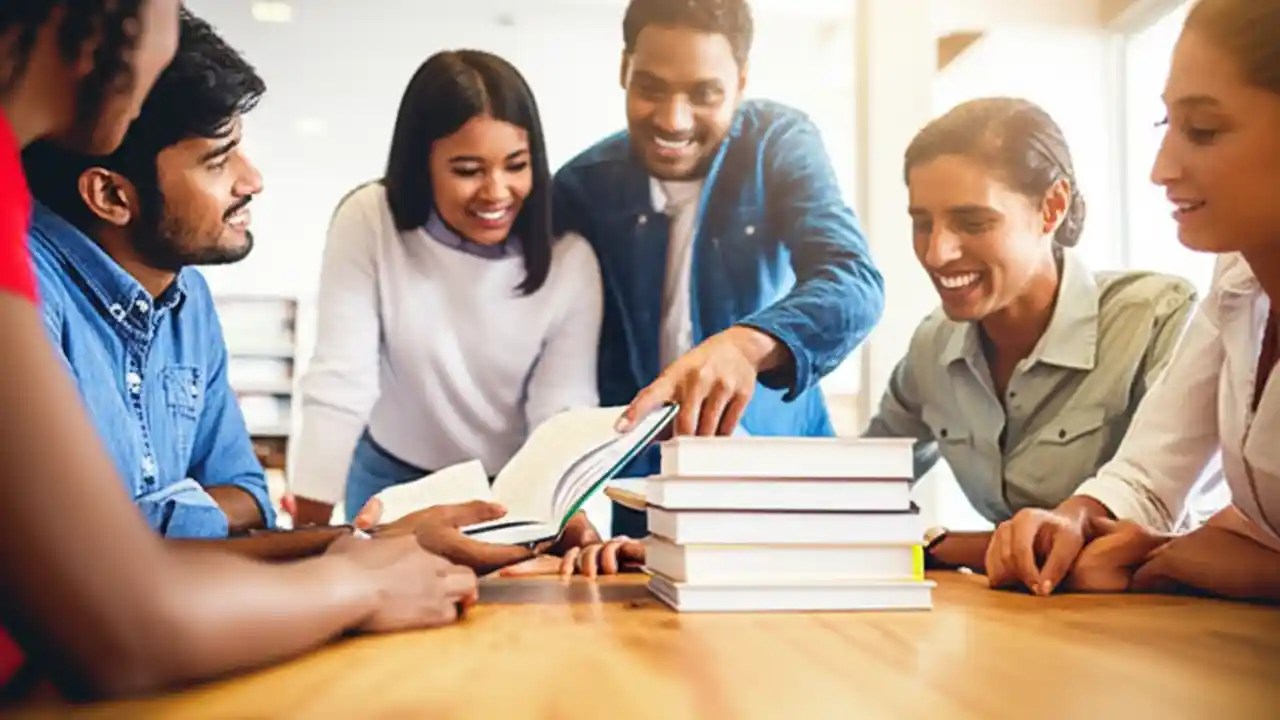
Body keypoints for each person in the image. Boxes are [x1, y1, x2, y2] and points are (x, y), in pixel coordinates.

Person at [0, 5, 509, 700]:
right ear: (111, 195)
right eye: (218, 159)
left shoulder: (186, 297)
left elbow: (242, 504)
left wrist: (368, 545)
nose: (252, 180)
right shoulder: (31, 267)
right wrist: (352, 579)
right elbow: (115, 610)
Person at [554, 0, 885, 542]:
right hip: (645, 499)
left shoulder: (779, 144)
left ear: (742, 81)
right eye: (651, 87)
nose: (673, 120)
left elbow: (854, 281)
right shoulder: (580, 188)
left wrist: (745, 346)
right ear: (623, 69)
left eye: (704, 94)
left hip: (786, 484)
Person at [287, 49, 622, 576]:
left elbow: (561, 415)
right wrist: (304, 541)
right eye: (468, 170)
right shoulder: (370, 220)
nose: (497, 192)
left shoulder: (569, 258)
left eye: (516, 165)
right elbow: (340, 381)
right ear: (422, 164)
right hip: (392, 485)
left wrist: (572, 518)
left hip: (508, 493)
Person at [991, 0, 1280, 604]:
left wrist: (1259, 571)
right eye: (1165, 124)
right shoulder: (1239, 276)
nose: (1161, 169)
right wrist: (1077, 517)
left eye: (1203, 130)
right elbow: (1149, 475)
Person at [862, 98, 1197, 574]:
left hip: (1160, 613)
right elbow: (859, 490)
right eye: (922, 223)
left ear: (1052, 207)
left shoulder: (1156, 318)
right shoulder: (934, 345)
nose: (936, 253)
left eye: (972, 223)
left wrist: (943, 545)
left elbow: (1154, 539)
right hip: (1025, 609)